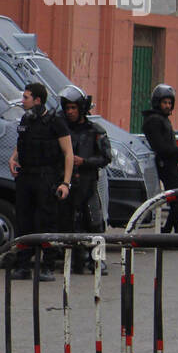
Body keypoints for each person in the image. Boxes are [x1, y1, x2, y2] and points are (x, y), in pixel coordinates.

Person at [9, 82, 74, 280]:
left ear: (38, 100)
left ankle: (47, 266)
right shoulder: (26, 120)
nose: (23, 101)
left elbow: (68, 153)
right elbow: (23, 143)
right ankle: (23, 264)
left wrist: (65, 183)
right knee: (23, 221)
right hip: (26, 177)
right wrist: (13, 158)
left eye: (26, 97)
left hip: (47, 178)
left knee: (47, 222)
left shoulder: (55, 122)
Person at [58, 85, 113, 274]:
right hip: (67, 183)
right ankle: (76, 260)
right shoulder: (61, 129)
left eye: (73, 108)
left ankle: (98, 260)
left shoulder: (95, 130)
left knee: (95, 221)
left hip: (89, 183)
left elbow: (106, 157)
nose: (70, 112)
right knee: (70, 222)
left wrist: (85, 162)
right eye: (67, 108)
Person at [142, 84, 178, 234]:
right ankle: (170, 231)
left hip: (171, 163)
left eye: (169, 103)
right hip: (164, 164)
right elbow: (161, 148)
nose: (167, 106)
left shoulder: (162, 119)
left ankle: (175, 230)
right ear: (157, 102)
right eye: (164, 102)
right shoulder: (154, 120)